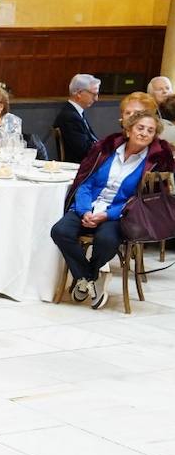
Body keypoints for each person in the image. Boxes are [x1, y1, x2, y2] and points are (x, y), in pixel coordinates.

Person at [51, 104, 173, 310]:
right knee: (59, 231)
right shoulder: (105, 151)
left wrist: (106, 215)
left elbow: (137, 199)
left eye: (150, 130)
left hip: (119, 215)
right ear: (129, 129)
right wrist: (84, 211)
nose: (144, 133)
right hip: (88, 207)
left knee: (106, 240)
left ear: (154, 136)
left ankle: (85, 277)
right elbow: (85, 183)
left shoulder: (152, 163)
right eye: (140, 128)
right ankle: (90, 277)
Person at [55, 73, 102, 163]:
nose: (96, 99)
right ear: (79, 93)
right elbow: (84, 150)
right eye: (93, 94)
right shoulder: (69, 117)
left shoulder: (75, 113)